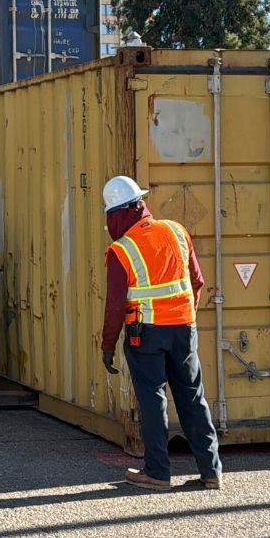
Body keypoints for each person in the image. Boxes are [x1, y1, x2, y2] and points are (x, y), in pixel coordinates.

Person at [100, 175, 222, 491]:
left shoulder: (121, 249)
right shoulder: (177, 231)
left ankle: (157, 472)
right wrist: (185, 317)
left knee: (153, 401)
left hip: (146, 335)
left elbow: (115, 306)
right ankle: (211, 471)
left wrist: (107, 345)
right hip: (184, 329)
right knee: (192, 395)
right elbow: (197, 281)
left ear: (115, 214)